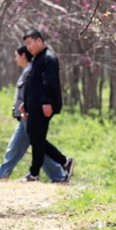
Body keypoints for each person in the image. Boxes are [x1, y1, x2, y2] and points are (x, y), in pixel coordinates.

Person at [0, 46, 67, 182]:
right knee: (19, 147)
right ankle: (1, 174)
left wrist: (27, 109)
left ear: (23, 55)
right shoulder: (28, 70)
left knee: (37, 146)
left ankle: (59, 173)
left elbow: (31, 94)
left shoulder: (31, 70)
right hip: (24, 116)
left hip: (28, 115)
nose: (15, 58)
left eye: (16, 55)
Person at [19, 29, 75, 182]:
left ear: (39, 41)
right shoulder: (37, 58)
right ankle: (64, 161)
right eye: (26, 44)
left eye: (30, 43)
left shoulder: (49, 58)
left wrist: (47, 103)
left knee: (36, 138)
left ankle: (34, 174)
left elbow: (49, 83)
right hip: (34, 104)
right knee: (36, 138)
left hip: (43, 106)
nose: (28, 47)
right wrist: (25, 103)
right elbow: (32, 83)